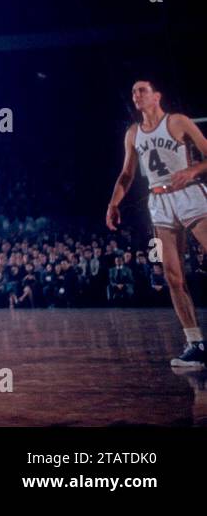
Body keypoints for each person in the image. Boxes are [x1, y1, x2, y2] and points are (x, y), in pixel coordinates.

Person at [106, 79, 207, 366]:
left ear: (157, 96)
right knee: (173, 276)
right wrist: (113, 203)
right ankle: (195, 343)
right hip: (159, 201)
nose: (136, 94)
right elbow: (127, 174)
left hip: (189, 194)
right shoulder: (133, 133)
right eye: (133, 91)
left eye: (142, 90)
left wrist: (193, 170)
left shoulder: (177, 121)